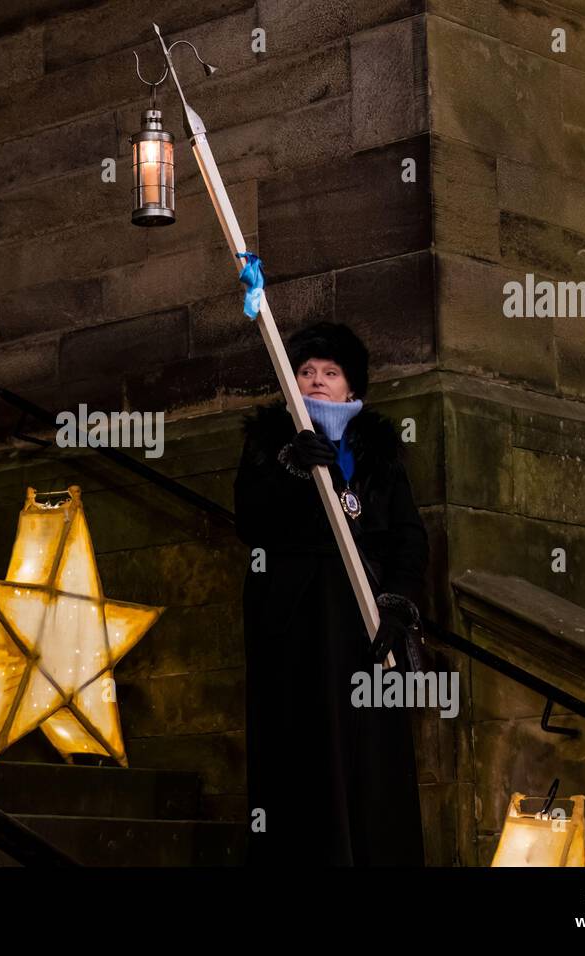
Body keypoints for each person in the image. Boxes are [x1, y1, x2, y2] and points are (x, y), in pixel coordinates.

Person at [235, 320, 427, 867]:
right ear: (292, 384)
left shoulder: (377, 452)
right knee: (304, 751)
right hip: (296, 625)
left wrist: (395, 603)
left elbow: (407, 538)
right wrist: (292, 469)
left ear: (351, 389)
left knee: (370, 758)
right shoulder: (269, 442)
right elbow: (251, 522)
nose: (318, 380)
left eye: (330, 372)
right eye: (306, 371)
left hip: (364, 625)